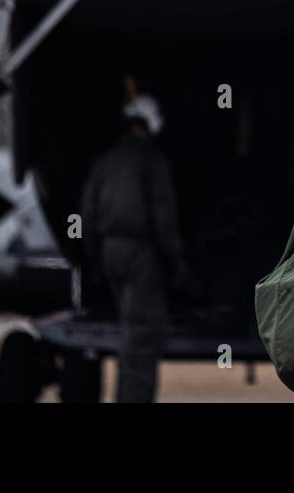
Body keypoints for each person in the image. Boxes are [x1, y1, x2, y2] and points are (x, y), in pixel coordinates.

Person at [81, 94, 191, 402]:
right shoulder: (152, 160)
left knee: (129, 332)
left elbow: (87, 216)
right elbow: (163, 217)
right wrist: (177, 263)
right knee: (142, 337)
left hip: (110, 253)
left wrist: (95, 261)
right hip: (141, 255)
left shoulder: (106, 161)